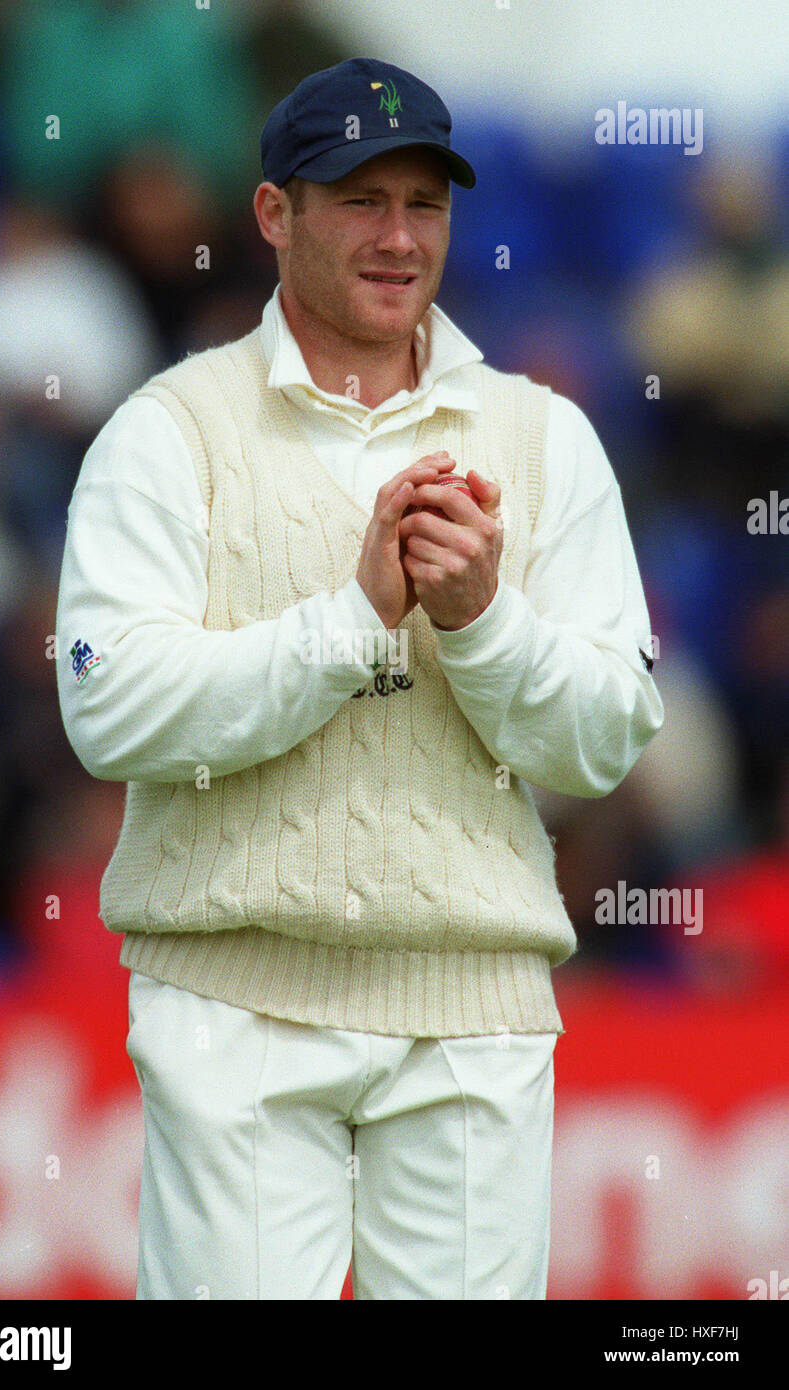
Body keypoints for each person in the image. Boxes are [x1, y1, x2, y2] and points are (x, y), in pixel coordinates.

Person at [55, 58, 664, 1300]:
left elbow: (602, 737)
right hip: (236, 996)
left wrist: (482, 619)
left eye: (423, 204)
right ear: (274, 214)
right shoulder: (169, 431)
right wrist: (352, 621)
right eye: (357, 200)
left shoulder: (542, 437)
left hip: (471, 1006)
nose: (397, 238)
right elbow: (109, 709)